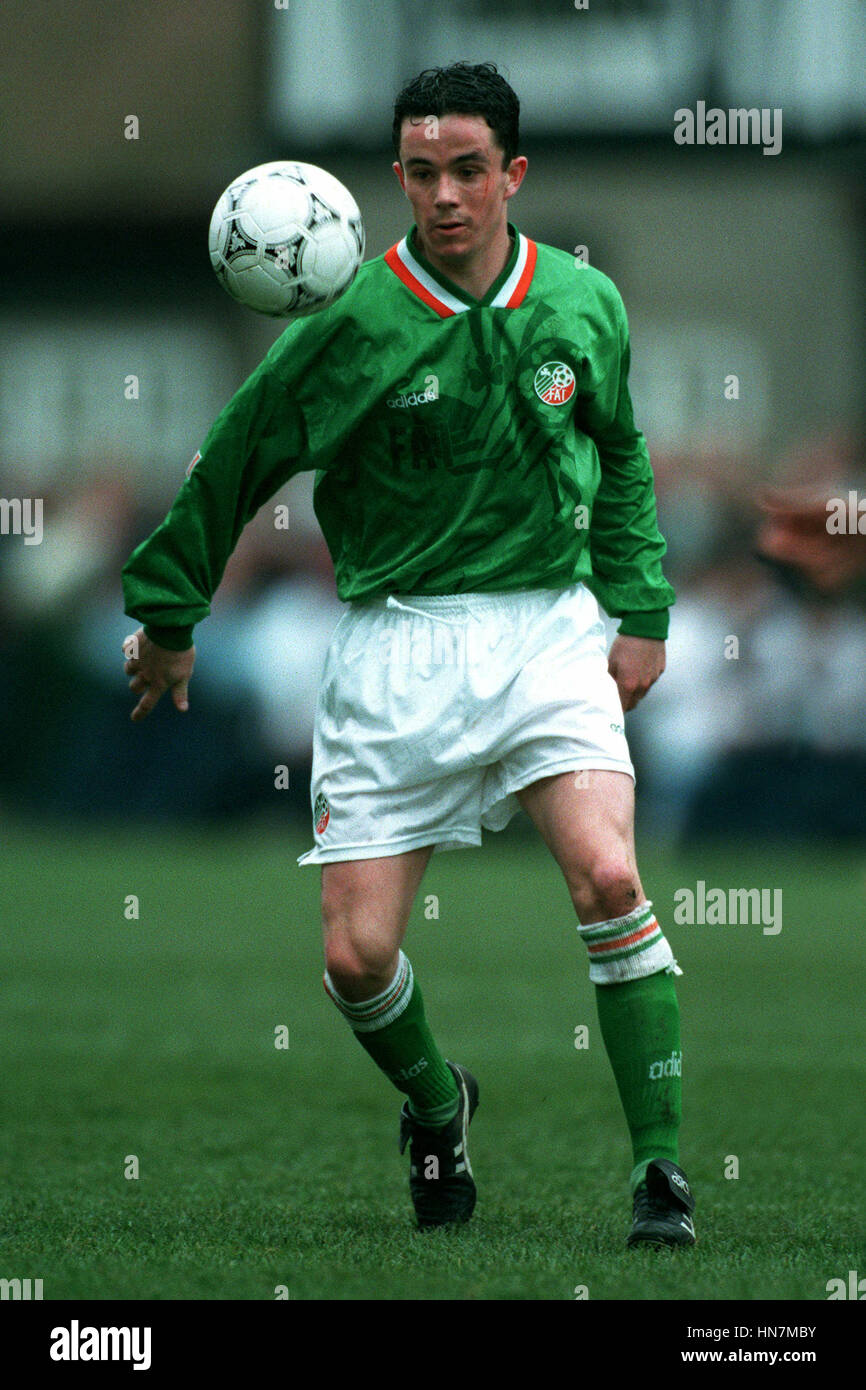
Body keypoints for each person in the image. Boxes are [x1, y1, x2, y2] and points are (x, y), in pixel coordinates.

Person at [121, 62, 695, 1247]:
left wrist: (639, 607)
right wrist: (170, 618)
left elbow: (623, 454)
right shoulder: (346, 327)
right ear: (395, 180)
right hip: (396, 650)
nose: (446, 196)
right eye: (423, 173)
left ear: (512, 175)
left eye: (469, 171)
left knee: (609, 879)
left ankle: (660, 1175)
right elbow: (228, 465)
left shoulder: (584, 303)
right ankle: (439, 1106)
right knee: (353, 956)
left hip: (547, 628)